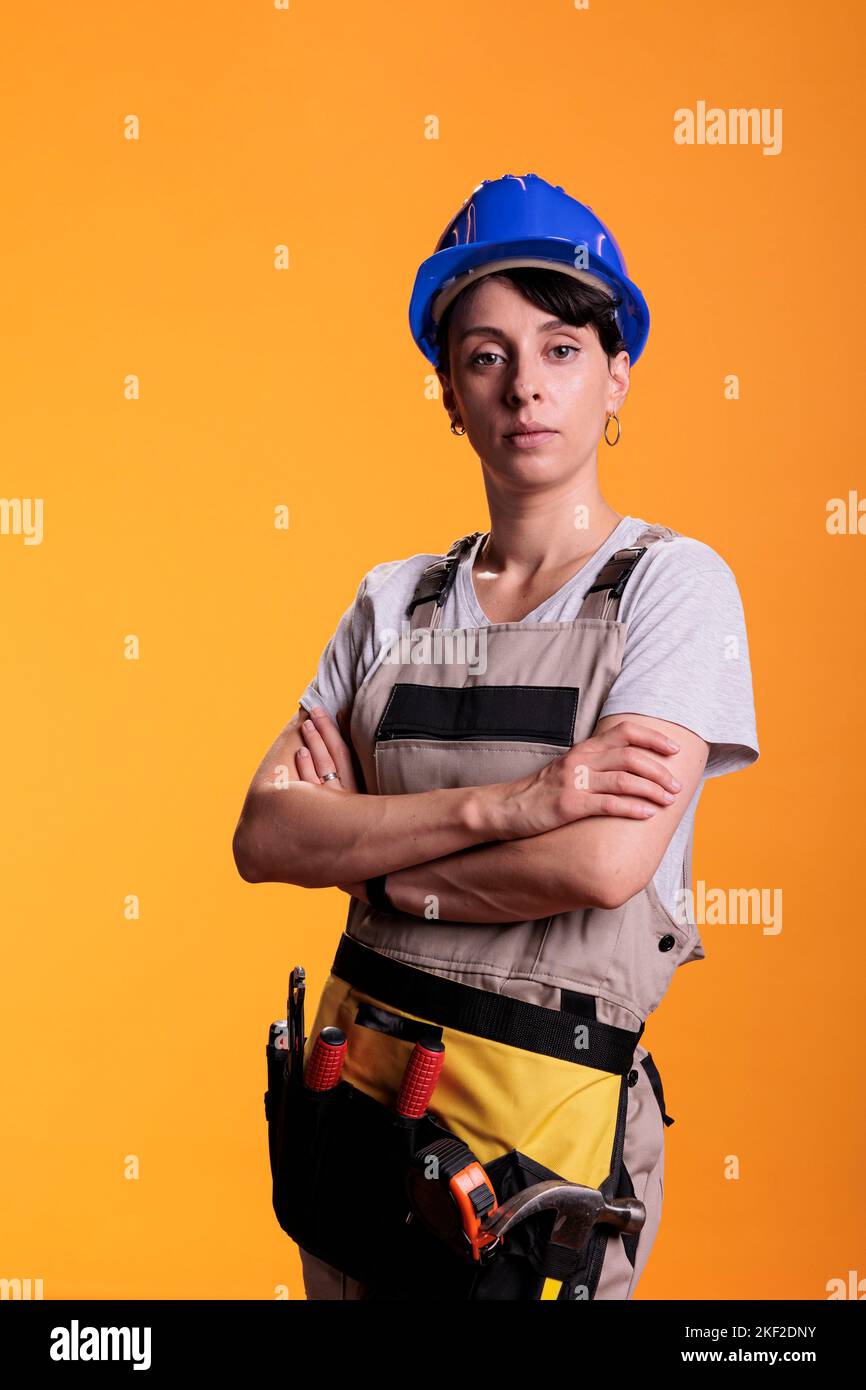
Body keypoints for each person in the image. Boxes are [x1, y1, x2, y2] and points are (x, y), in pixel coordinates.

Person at [233, 173, 760, 1301]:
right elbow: (263, 835)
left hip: (533, 1157)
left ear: (616, 372)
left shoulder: (672, 588)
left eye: (560, 347)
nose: (524, 386)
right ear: (447, 390)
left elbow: (602, 865)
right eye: (484, 354)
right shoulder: (392, 601)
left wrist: (369, 859)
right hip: (354, 1109)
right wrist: (509, 804)